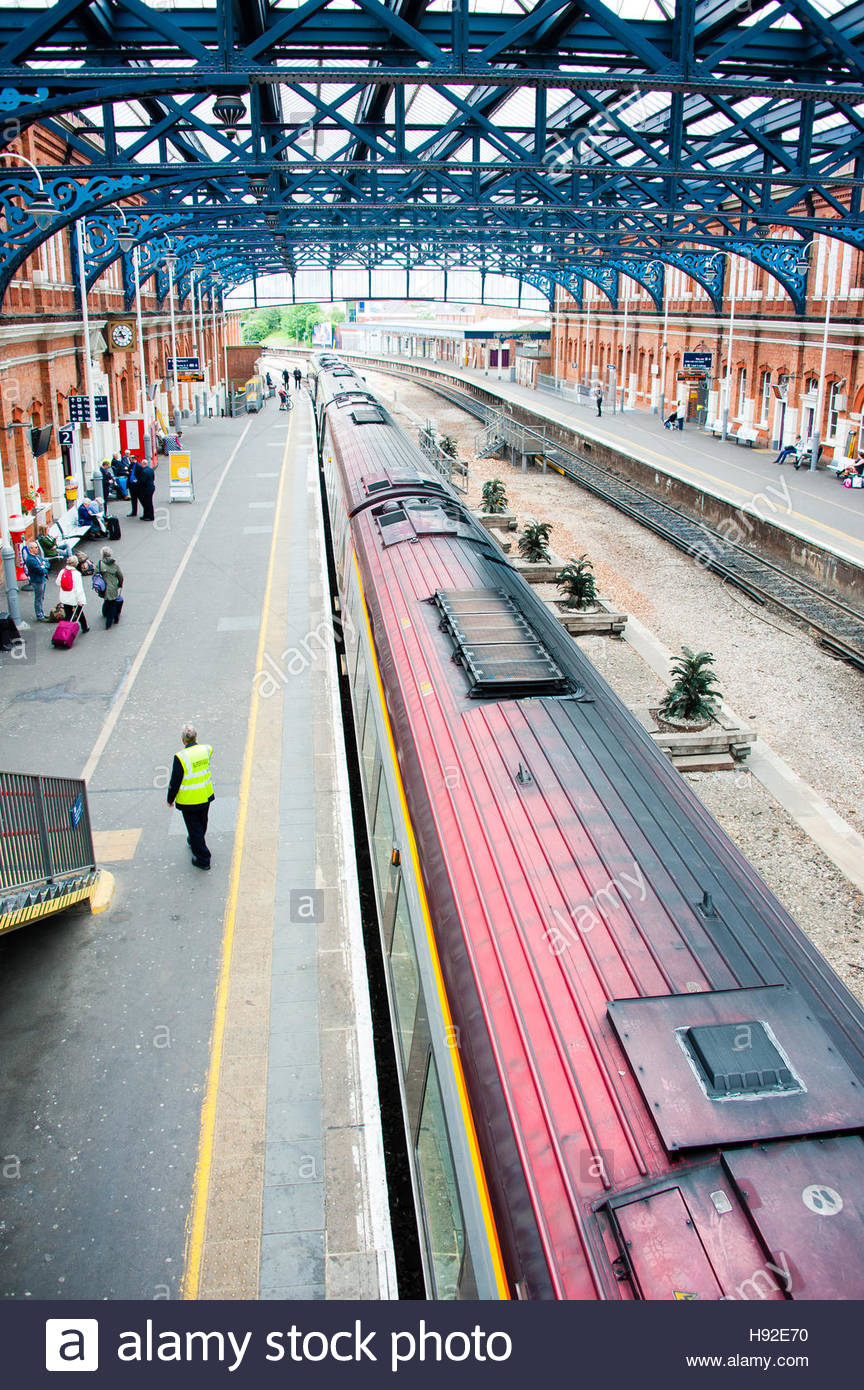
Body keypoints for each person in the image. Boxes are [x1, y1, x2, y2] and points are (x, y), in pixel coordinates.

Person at [166, 724, 214, 870]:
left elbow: (175, 780)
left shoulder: (180, 757)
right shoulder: (206, 750)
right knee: (202, 822)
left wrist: (170, 798)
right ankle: (194, 840)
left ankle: (203, 858)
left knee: (194, 828)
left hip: (189, 799)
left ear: (183, 740)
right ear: (196, 737)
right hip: (205, 794)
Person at [55, 555, 89, 632]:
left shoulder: (62, 571)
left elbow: (57, 582)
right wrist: (80, 600)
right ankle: (85, 627)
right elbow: (78, 589)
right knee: (79, 613)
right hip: (74, 598)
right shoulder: (76, 574)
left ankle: (65, 632)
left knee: (68, 614)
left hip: (64, 597)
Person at [96, 546, 124, 628]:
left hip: (103, 587)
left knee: (107, 600)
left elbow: (96, 576)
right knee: (112, 604)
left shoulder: (99, 564)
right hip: (112, 587)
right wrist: (120, 584)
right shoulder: (115, 565)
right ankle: (110, 622)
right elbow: (120, 576)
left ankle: (105, 613)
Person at [22, 541, 50, 621]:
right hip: (37, 581)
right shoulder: (30, 560)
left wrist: (44, 566)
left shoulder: (36, 556)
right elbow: (41, 571)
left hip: (42, 579)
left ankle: (41, 613)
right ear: (31, 549)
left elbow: (47, 562)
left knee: (41, 597)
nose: (37, 548)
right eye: (36, 547)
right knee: (38, 598)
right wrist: (44, 567)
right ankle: (39, 615)